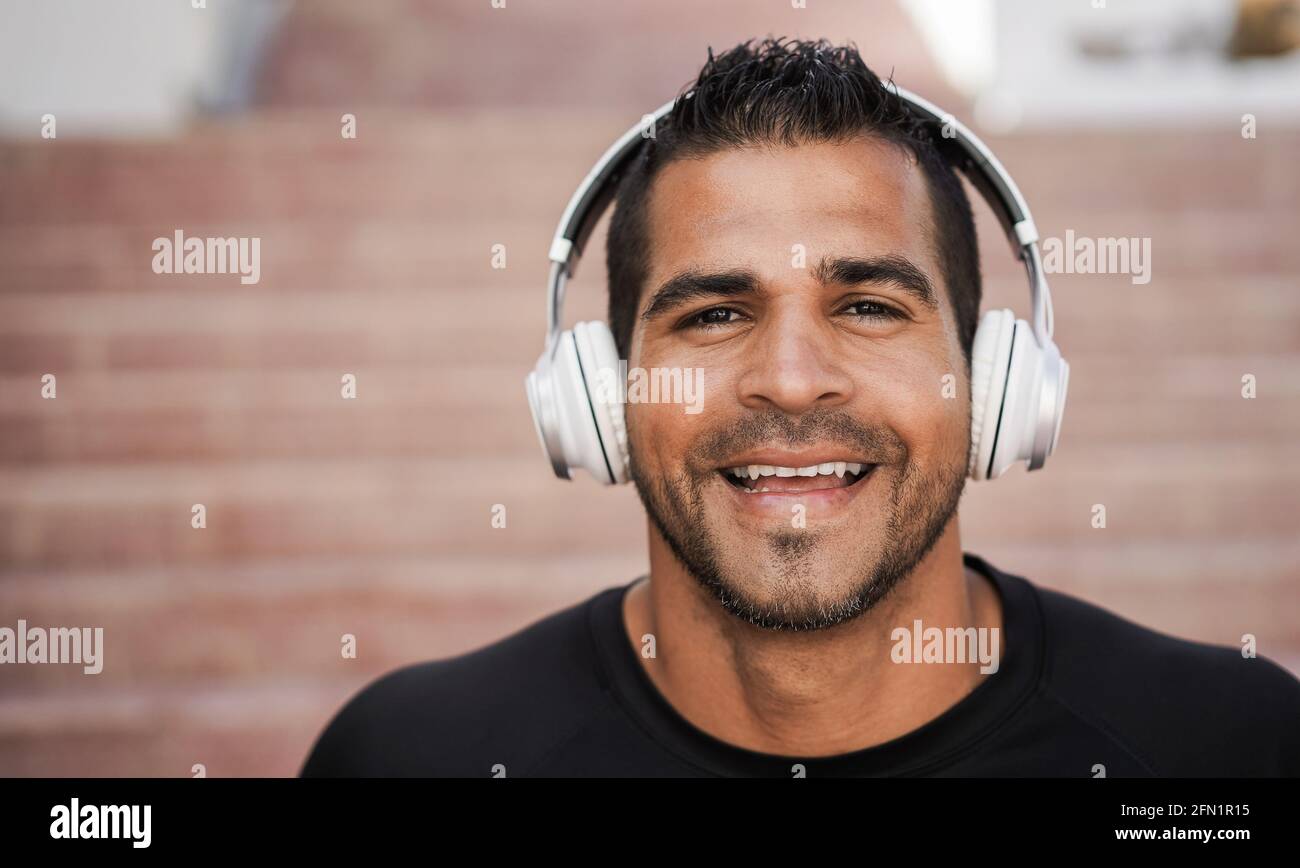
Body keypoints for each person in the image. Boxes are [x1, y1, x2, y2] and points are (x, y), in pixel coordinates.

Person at [301, 36, 1300, 777]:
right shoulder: (406, 756)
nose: (788, 378)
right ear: (602, 396)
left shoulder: (1224, 750)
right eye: (712, 313)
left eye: (867, 306)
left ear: (994, 379)